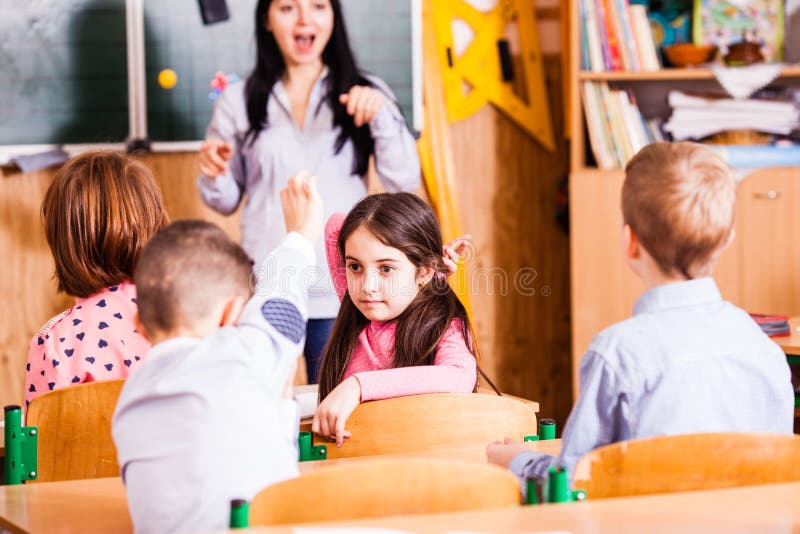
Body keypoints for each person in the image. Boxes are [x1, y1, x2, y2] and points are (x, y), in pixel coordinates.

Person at [486, 142, 794, 484]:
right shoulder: (763, 348)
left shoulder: (617, 352)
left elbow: (574, 483)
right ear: (727, 240)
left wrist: (517, 460)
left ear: (630, 242)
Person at [197, 0, 420, 384]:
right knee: (260, 402)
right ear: (266, 19)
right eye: (287, 8)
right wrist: (215, 173)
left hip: (342, 291)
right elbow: (224, 200)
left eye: (318, 5)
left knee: (336, 412)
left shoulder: (367, 92)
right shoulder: (238, 100)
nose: (305, 18)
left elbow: (404, 179)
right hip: (268, 283)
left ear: (333, 15)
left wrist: (381, 115)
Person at [112, 175, 323, 533]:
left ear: (140, 324)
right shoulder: (242, 357)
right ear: (230, 316)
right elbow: (282, 301)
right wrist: (301, 235)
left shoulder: (128, 400)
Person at [313, 192, 493, 446]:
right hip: (351, 470)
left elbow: (459, 377)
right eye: (355, 266)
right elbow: (336, 225)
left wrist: (358, 386)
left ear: (424, 271)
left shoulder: (442, 326)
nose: (367, 285)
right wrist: (426, 277)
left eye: (386, 268)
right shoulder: (356, 309)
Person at [25, 151, 168, 408]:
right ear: (156, 224)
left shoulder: (57, 342)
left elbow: (40, 444)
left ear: (63, 242)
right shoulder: (194, 318)